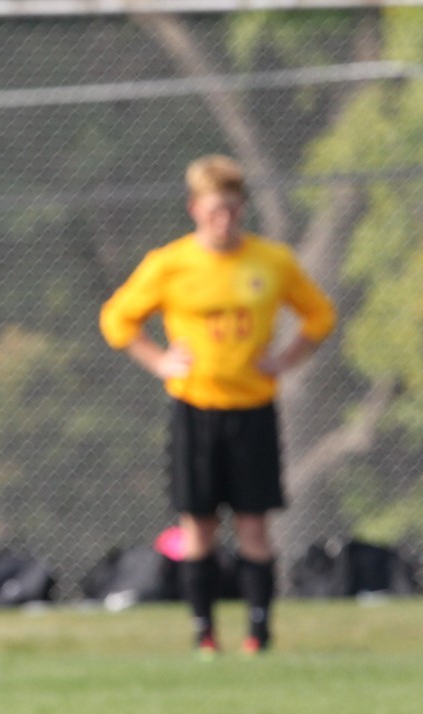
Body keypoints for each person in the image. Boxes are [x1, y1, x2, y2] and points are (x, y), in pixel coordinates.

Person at [99, 155, 336, 656]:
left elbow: (319, 316)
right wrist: (160, 361)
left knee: (254, 526)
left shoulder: (271, 261)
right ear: (195, 210)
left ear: (242, 207)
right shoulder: (170, 263)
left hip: (253, 409)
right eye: (213, 211)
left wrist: (285, 360)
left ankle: (258, 634)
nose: (223, 220)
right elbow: (117, 319)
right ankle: (204, 633)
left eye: (231, 209)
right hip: (196, 409)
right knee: (198, 527)